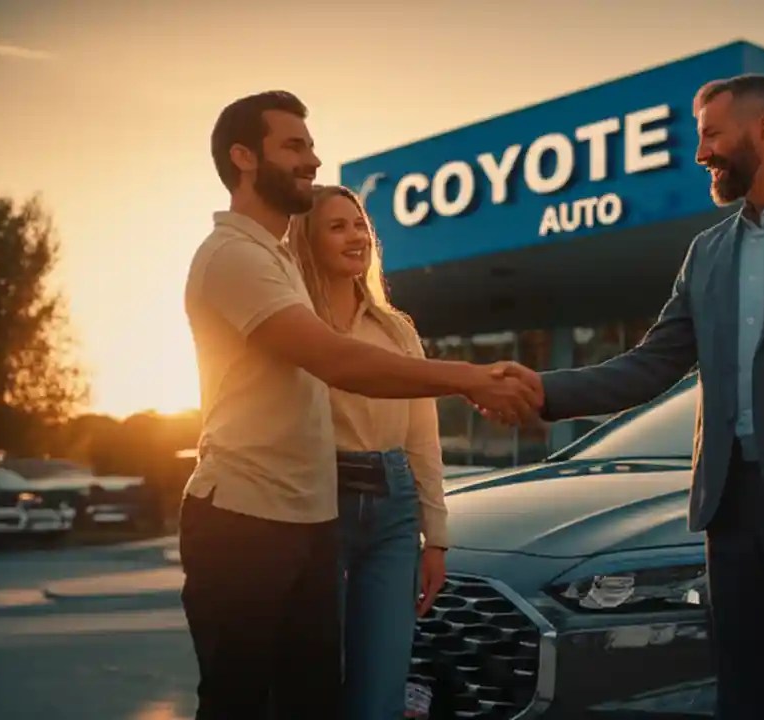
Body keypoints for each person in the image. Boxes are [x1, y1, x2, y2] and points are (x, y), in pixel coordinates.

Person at [492, 74, 764, 719]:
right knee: (742, 692)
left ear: (763, 127)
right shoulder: (707, 251)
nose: (700, 154)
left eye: (712, 134)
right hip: (728, 509)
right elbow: (652, 365)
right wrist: (542, 390)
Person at [180, 90, 537, 720]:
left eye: (311, 146)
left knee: (316, 702)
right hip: (244, 521)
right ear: (242, 157)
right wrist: (469, 377)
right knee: (245, 704)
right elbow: (337, 361)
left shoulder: (276, 261)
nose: (312, 160)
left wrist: (434, 531)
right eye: (293, 146)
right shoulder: (234, 258)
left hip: (308, 521)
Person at [286, 184, 449, 719]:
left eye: (360, 225)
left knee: (381, 691)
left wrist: (437, 539)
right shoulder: (294, 323)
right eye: (337, 227)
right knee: (311, 683)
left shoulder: (397, 328)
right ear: (307, 241)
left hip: (394, 509)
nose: (356, 236)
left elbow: (422, 435)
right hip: (317, 503)